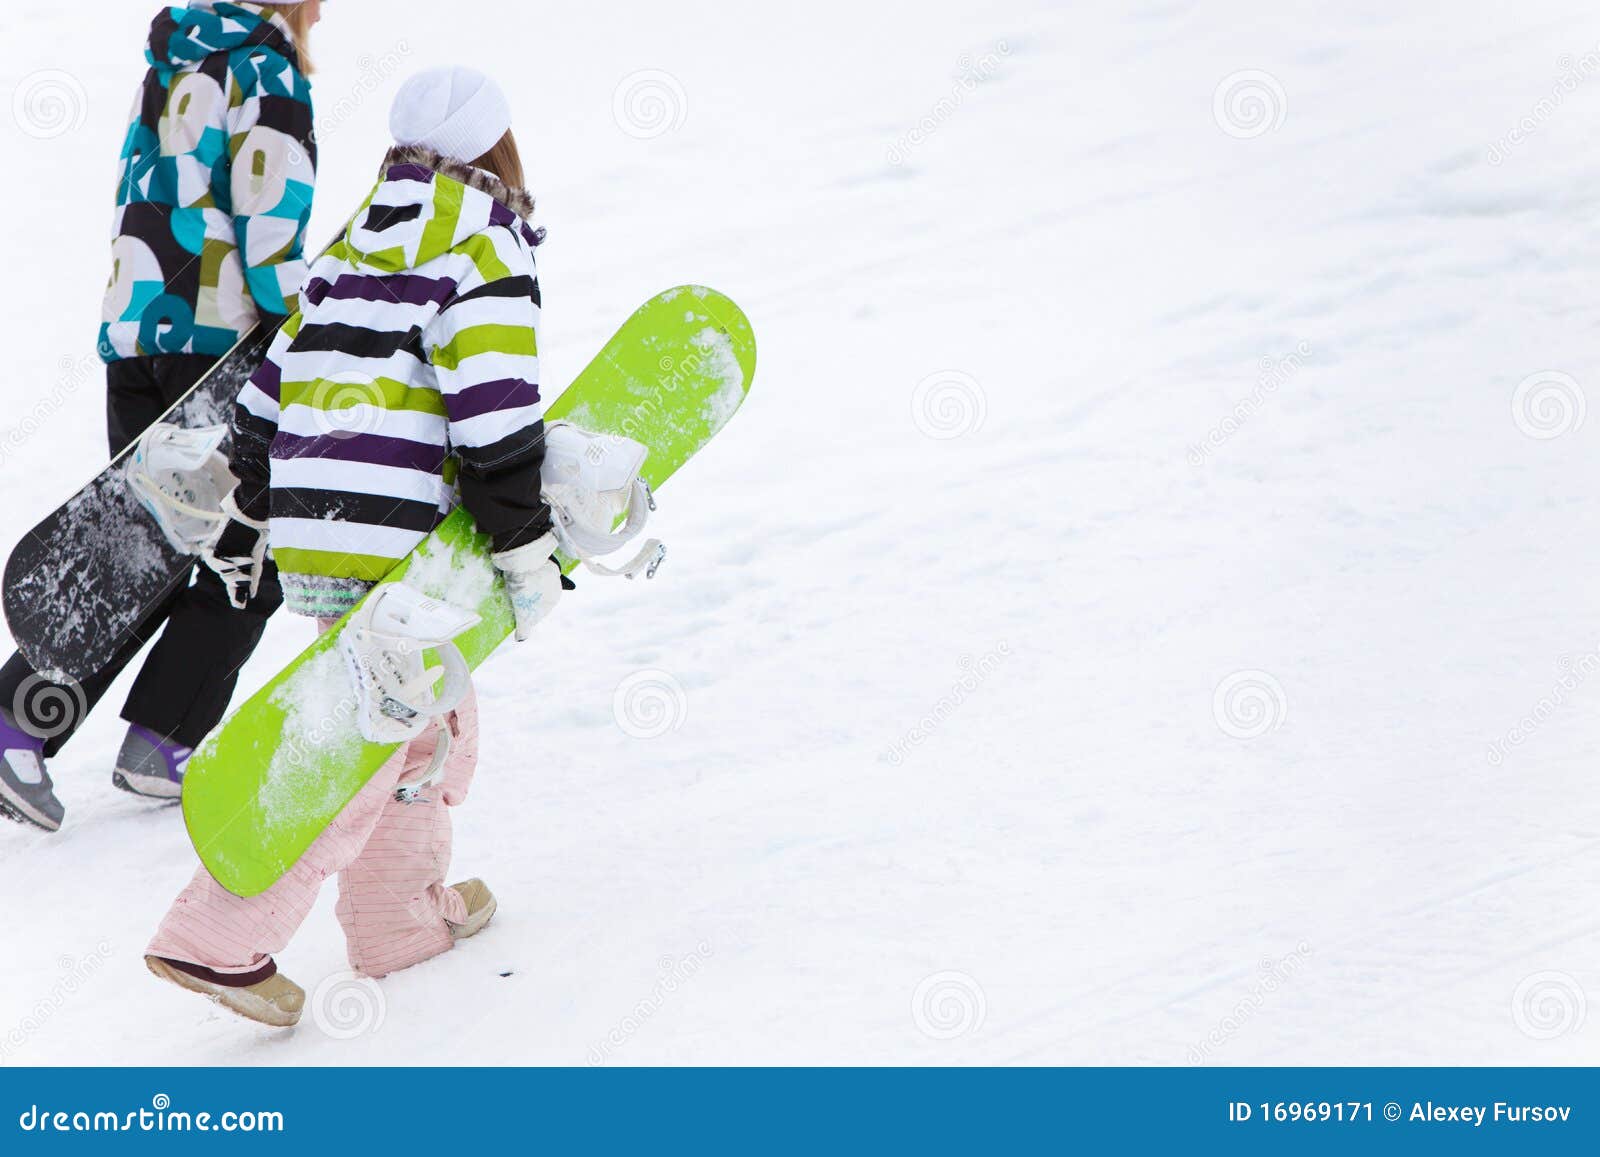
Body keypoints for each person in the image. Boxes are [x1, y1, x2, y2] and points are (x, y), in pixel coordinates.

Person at [145, 66, 563, 1026]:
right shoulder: (483, 242)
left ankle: (398, 922)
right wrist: (524, 539)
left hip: (313, 514)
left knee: (412, 714)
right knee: (369, 735)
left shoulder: (353, 239)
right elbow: (495, 409)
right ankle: (217, 933)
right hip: (400, 527)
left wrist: (246, 480)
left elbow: (273, 376)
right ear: (498, 148)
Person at [0, 1, 321, 831]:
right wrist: (312, 326)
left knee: (140, 548)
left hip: (138, 328)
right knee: (249, 546)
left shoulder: (174, 59)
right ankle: (160, 742)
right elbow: (270, 224)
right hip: (216, 351)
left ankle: (14, 729)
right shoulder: (265, 71)